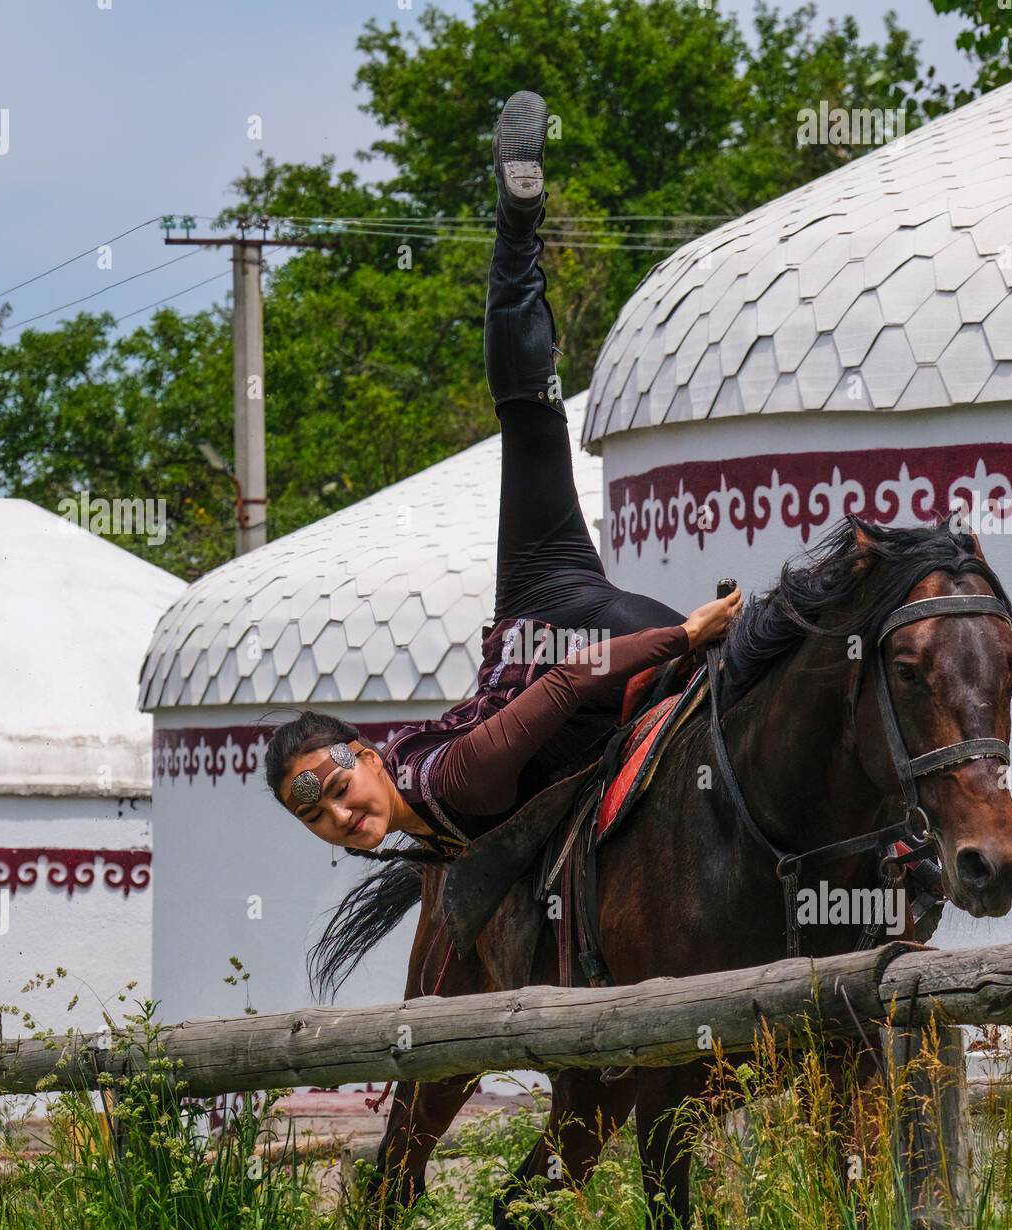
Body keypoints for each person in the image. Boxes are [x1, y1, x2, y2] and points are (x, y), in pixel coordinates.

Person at [265, 90, 741, 862]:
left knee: (531, 422)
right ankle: (514, 230)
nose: (341, 817)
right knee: (529, 420)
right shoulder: (424, 805)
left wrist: (683, 635)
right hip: (530, 613)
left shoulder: (449, 786)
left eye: (337, 791)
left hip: (575, 637)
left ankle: (517, 221)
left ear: (366, 755)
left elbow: (559, 687)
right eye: (316, 819)